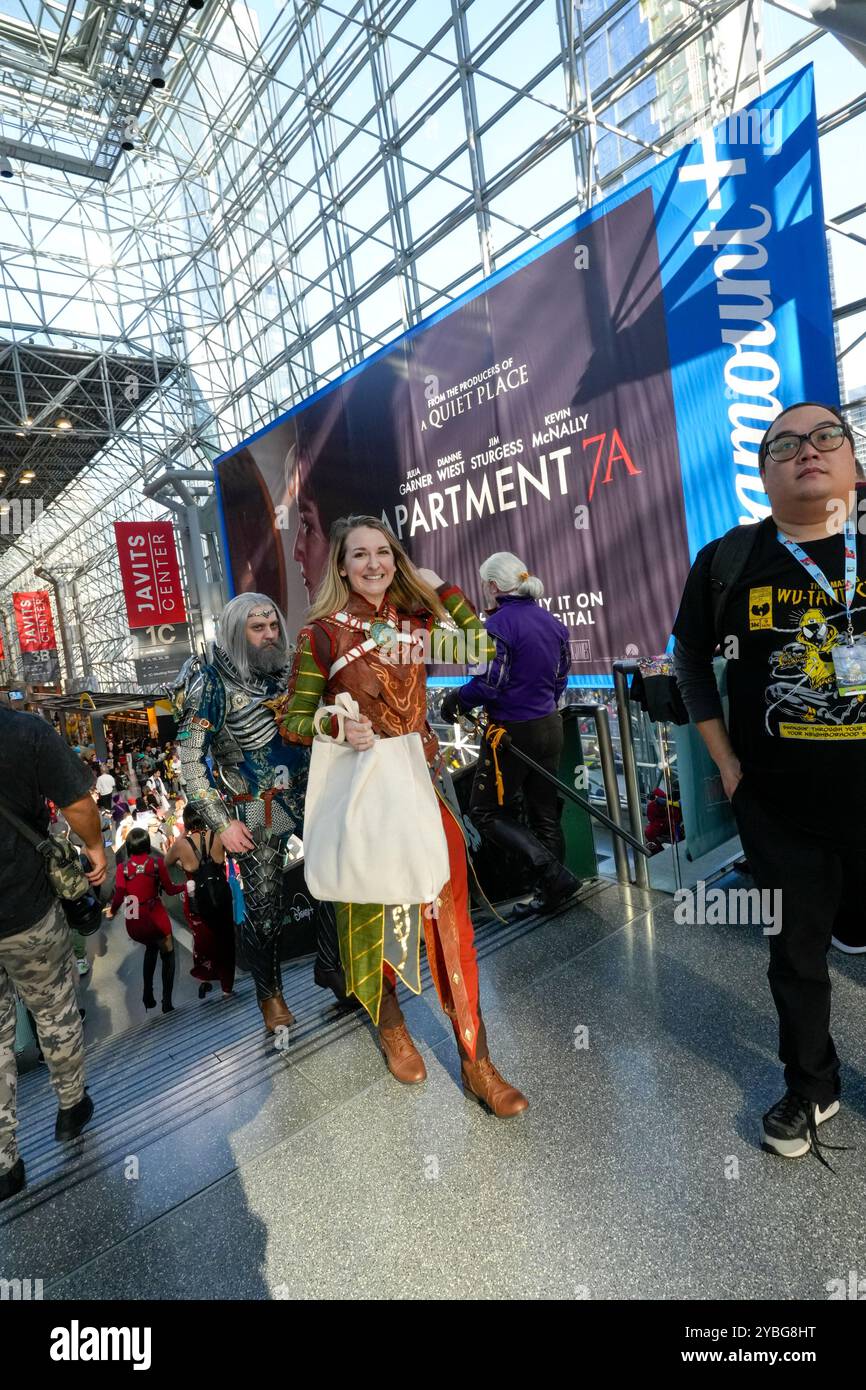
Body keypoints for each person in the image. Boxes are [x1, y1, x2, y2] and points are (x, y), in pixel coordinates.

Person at [274, 515, 529, 1117]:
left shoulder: (413, 625)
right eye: (359, 555)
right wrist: (335, 724)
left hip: (423, 788)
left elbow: (483, 649)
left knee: (450, 923)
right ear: (340, 565)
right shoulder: (322, 635)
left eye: (383, 553)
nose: (373, 564)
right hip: (364, 797)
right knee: (372, 914)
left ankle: (477, 1061)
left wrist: (442, 590)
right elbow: (291, 719)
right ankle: (390, 1023)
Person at [672, 401, 864, 1164]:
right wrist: (722, 758)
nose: (806, 451)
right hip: (780, 807)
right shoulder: (730, 560)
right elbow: (688, 659)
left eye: (825, 437)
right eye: (784, 443)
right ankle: (812, 1085)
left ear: (850, 457)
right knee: (796, 955)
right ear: (764, 472)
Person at [174, 592, 313, 1032]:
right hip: (252, 808)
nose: (270, 634)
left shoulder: (289, 667)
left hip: (311, 792)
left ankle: (334, 968)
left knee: (337, 882)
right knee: (265, 909)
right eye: (258, 628)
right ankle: (270, 996)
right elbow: (191, 764)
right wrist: (221, 823)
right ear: (238, 631)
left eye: (273, 625)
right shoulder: (211, 683)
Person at [0, 706, 107, 1203]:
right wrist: (95, 848)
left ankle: (5, 1165)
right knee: (55, 1011)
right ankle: (70, 1108)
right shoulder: (25, 731)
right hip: (28, 911)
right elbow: (78, 804)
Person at [439, 551, 579, 917]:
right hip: (550, 724)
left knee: (484, 812)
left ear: (493, 586)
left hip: (512, 733)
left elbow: (490, 684)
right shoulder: (552, 622)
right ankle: (553, 892)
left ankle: (551, 873)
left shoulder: (498, 626)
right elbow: (562, 674)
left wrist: (457, 699)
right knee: (544, 812)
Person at [105, 827, 183, 1013]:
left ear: (129, 847)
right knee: (168, 954)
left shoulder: (122, 868)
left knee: (150, 947)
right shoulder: (157, 864)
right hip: (155, 915)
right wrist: (184, 886)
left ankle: (148, 991)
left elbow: (120, 895)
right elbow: (170, 889)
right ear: (147, 844)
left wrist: (113, 911)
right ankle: (167, 1001)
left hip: (135, 920)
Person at [166, 807, 235, 999]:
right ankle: (227, 988)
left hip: (197, 900)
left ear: (186, 821)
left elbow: (166, 862)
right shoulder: (218, 835)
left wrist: (183, 864)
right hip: (221, 894)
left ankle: (205, 978)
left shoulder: (182, 845)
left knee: (203, 939)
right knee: (226, 939)